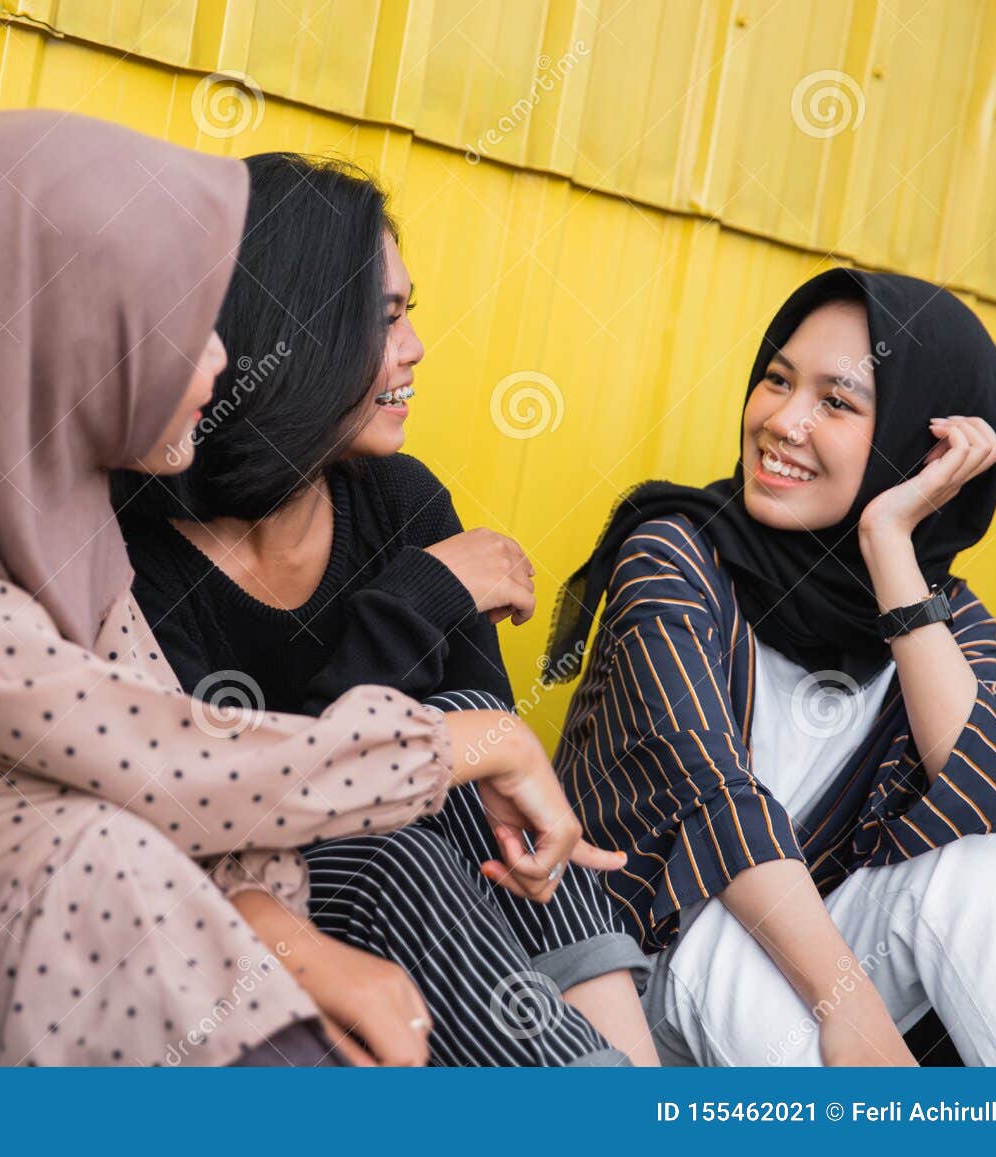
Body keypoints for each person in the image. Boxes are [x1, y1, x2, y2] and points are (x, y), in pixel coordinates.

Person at [0, 111, 610, 1067]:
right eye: (183, 323)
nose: (218, 360)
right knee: (111, 857)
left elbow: (170, 763)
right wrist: (463, 740)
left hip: (34, 912)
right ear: (68, 316)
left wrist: (275, 934)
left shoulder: (52, 509)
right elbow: (137, 752)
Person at [120, 152, 653, 1066]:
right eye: (385, 318)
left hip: (465, 948)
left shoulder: (400, 503)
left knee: (457, 736)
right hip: (248, 919)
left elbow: (477, 748)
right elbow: (257, 799)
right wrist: (419, 595)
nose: (412, 349)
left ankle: (630, 1079)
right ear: (288, 331)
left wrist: (417, 598)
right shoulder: (137, 552)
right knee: (393, 842)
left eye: (411, 314)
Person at [544, 268, 996, 1066]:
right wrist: (849, 1007)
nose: (782, 419)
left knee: (968, 863)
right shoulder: (671, 555)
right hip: (647, 969)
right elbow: (716, 805)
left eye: (836, 402)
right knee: (722, 918)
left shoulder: (938, 611)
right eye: (776, 379)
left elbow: (984, 792)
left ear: (920, 446)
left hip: (805, 985)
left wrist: (889, 542)